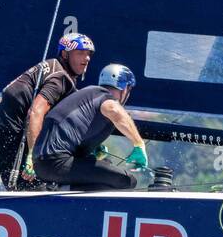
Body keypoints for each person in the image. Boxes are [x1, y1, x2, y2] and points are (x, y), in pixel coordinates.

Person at [0, 33, 95, 189]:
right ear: (65, 54)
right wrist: (33, 156)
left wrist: (89, 143)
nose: (87, 58)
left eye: (88, 54)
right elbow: (36, 112)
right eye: (80, 53)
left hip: (8, 133)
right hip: (10, 136)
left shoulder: (55, 68)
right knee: (31, 188)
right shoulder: (59, 78)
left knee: (38, 184)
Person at [32, 63, 148, 191]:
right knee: (127, 181)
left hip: (42, 165)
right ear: (125, 88)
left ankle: (61, 189)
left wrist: (92, 148)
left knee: (106, 165)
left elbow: (71, 127)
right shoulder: (105, 97)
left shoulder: (90, 95)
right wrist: (139, 144)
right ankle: (62, 189)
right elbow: (113, 109)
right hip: (57, 163)